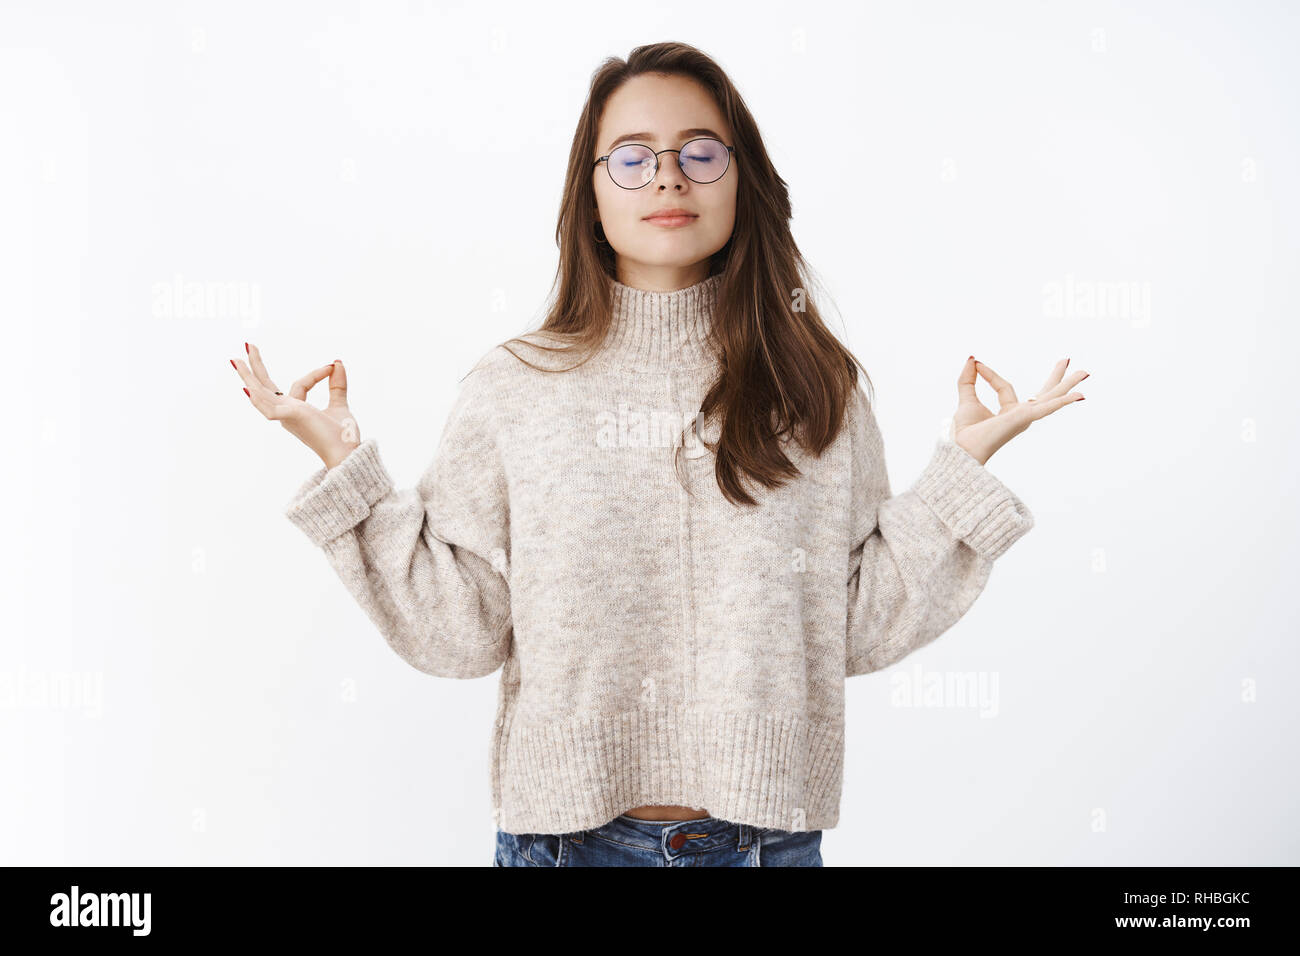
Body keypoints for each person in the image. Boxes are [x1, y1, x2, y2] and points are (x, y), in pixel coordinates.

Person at [230, 42, 1088, 867]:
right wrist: (351, 480)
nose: (668, 175)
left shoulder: (814, 384)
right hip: (563, 845)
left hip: (766, 843)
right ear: (591, 193)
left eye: (700, 152)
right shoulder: (513, 388)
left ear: (742, 179)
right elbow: (463, 632)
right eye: (632, 157)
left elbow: (847, 624)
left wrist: (957, 481)